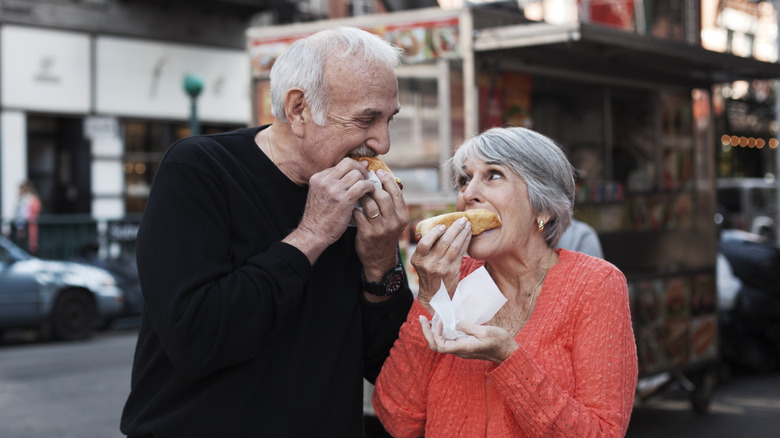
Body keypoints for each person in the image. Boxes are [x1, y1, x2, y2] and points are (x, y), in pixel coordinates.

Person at [120, 27, 414, 438]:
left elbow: (392, 369)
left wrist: (382, 265)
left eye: (389, 120)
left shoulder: (356, 199)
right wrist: (311, 234)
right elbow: (197, 339)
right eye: (366, 119)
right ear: (298, 110)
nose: (382, 143)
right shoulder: (200, 170)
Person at [373, 126, 637, 437]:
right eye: (463, 180)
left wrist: (507, 358)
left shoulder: (596, 284)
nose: (468, 193)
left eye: (493, 175)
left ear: (544, 206)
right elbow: (397, 420)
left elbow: (603, 433)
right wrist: (430, 296)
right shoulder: (452, 277)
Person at [14, 180, 41, 254]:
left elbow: (31, 211)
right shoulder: (21, 199)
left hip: (29, 226)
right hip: (21, 226)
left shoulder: (31, 199)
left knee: (31, 246)